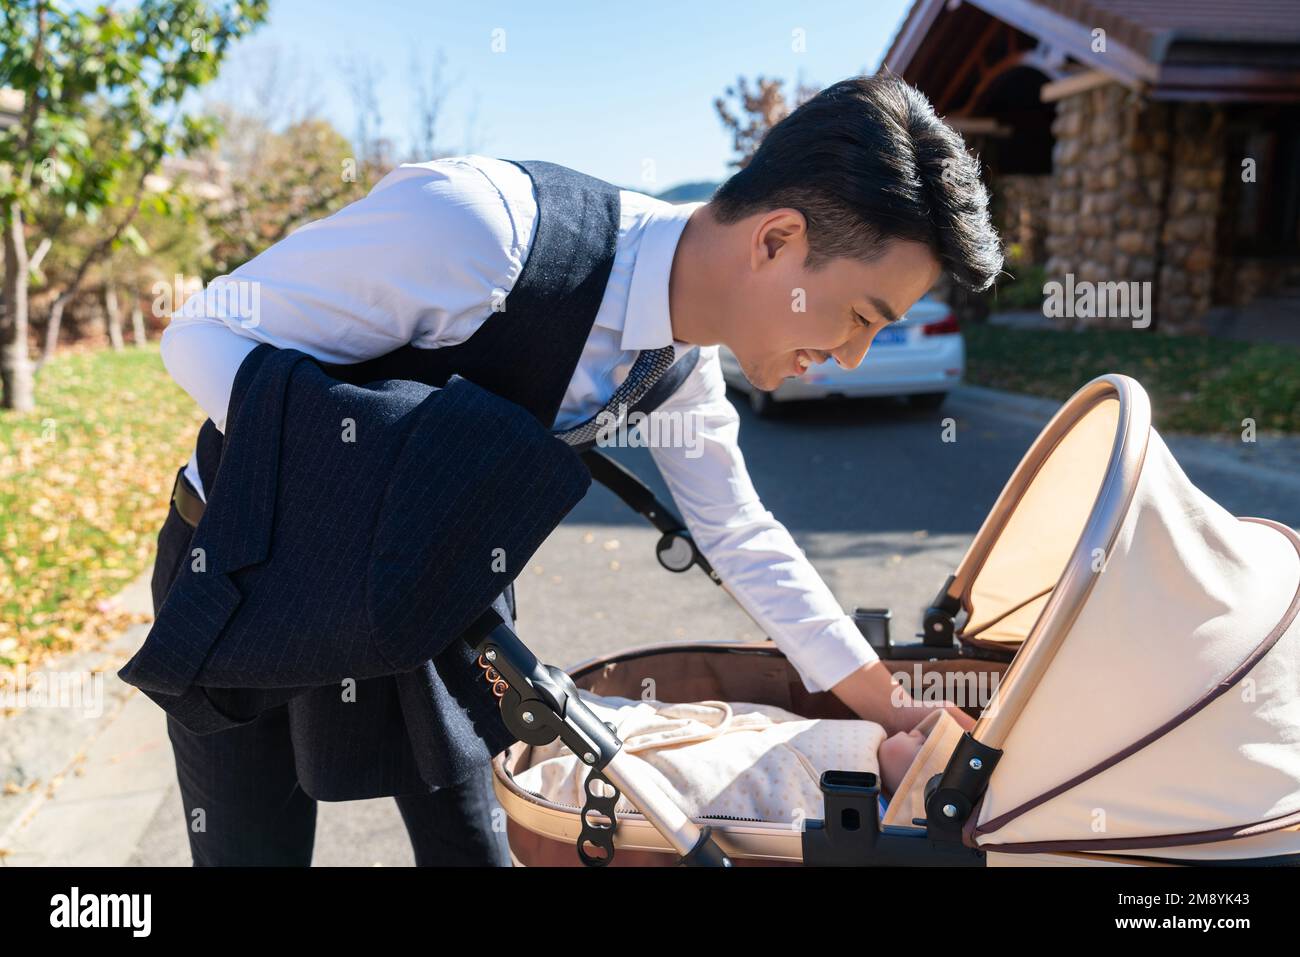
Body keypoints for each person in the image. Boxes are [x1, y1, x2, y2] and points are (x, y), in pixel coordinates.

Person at [152, 71, 999, 865]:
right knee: (247, 847)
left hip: (433, 601)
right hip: (246, 567)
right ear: (776, 239)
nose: (852, 357)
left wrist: (896, 710)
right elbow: (200, 334)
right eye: (859, 316)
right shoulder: (478, 231)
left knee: (478, 845)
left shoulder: (679, 368)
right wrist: (385, 481)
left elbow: (740, 533)